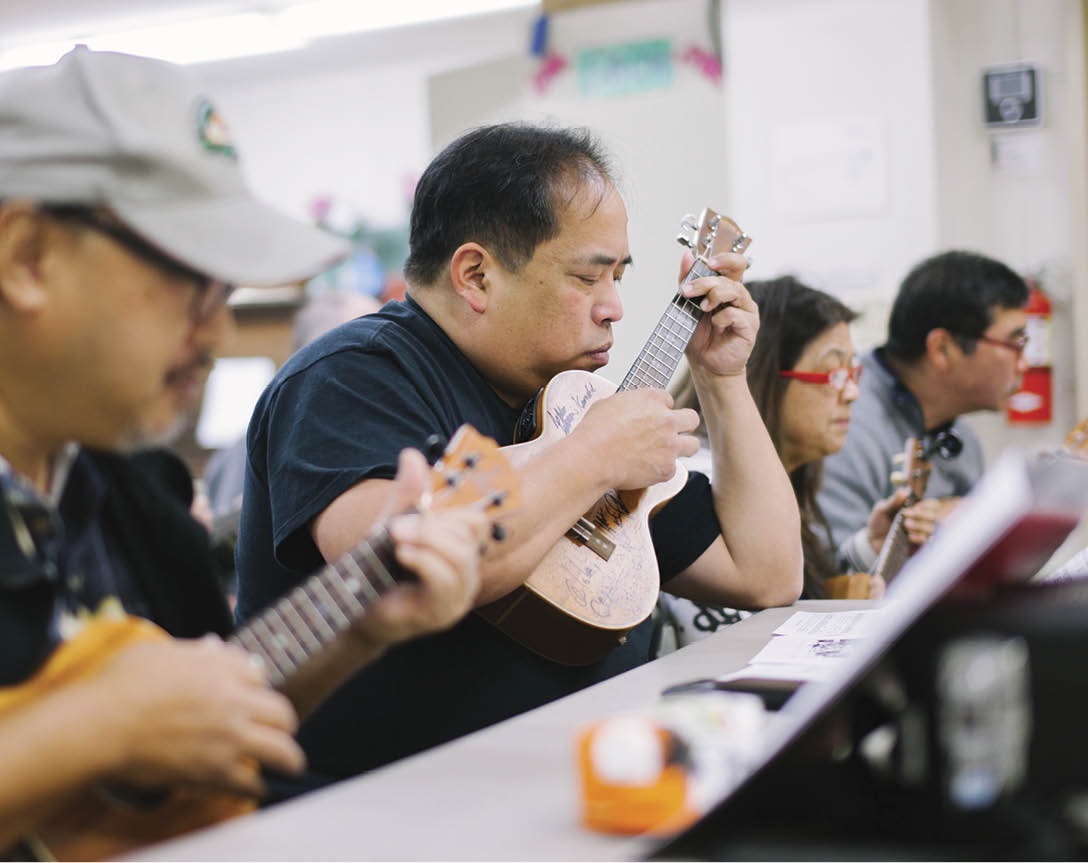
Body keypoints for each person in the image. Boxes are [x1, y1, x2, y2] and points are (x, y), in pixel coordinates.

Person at [0, 47, 486, 854]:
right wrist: (97, 726)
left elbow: (199, 728)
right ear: (27, 258)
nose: (219, 330)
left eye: (229, 294)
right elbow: (122, 728)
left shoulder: (134, 490)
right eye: (193, 281)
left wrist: (361, 623)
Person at [235, 122, 803, 793]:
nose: (615, 307)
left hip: (592, 783)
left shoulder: (574, 400)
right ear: (476, 276)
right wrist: (594, 456)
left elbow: (765, 574)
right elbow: (401, 573)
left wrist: (720, 376)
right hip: (391, 807)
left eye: (619, 276)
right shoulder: (349, 378)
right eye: (587, 276)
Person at [659, 276, 883, 650]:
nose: (852, 392)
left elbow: (799, 592)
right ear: (762, 375)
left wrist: (866, 550)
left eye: (853, 371)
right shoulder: (692, 479)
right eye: (833, 373)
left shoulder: (788, 475)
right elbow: (740, 640)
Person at [818, 251, 1030, 574]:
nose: (1024, 364)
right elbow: (827, 582)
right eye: (1015, 344)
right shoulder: (845, 424)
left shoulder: (963, 439)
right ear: (942, 348)